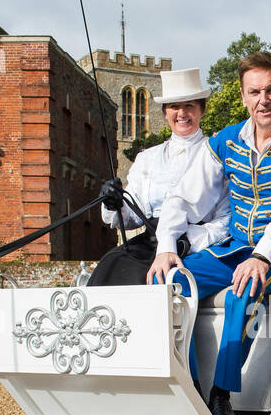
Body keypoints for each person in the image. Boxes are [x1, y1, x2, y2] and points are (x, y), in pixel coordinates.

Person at [147, 51, 271, 415]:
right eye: (255, 92)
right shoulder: (225, 141)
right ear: (243, 96)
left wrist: (263, 257)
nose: (264, 100)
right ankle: (192, 388)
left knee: (245, 286)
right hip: (236, 248)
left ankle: (221, 396)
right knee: (168, 281)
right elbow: (185, 196)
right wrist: (166, 246)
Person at [88, 68, 228, 286]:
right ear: (165, 113)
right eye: (174, 107)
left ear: (202, 110)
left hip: (193, 244)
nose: (181, 113)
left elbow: (226, 218)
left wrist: (187, 241)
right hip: (148, 242)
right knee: (111, 265)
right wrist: (114, 202)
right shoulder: (148, 158)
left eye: (189, 106)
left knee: (150, 278)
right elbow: (133, 216)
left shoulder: (217, 154)